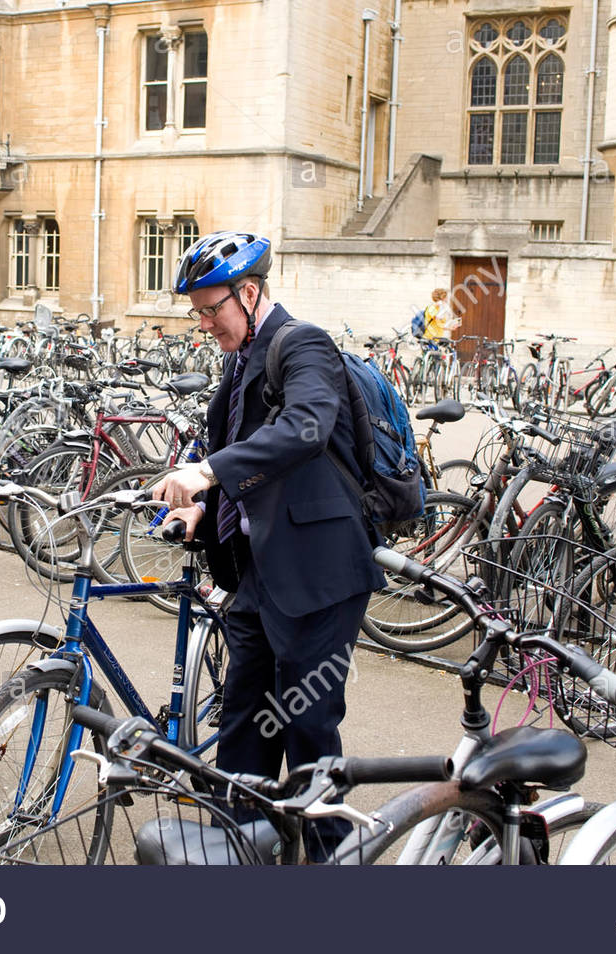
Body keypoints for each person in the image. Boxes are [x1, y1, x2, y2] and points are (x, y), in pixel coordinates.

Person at [152, 231, 384, 857]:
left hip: (319, 571)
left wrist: (206, 471)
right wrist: (204, 508)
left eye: (210, 308)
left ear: (249, 293)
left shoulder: (303, 343)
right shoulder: (237, 356)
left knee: (307, 727)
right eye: (196, 311)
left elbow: (305, 429)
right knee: (245, 724)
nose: (203, 323)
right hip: (257, 571)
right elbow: (253, 463)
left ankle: (331, 861)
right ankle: (239, 850)